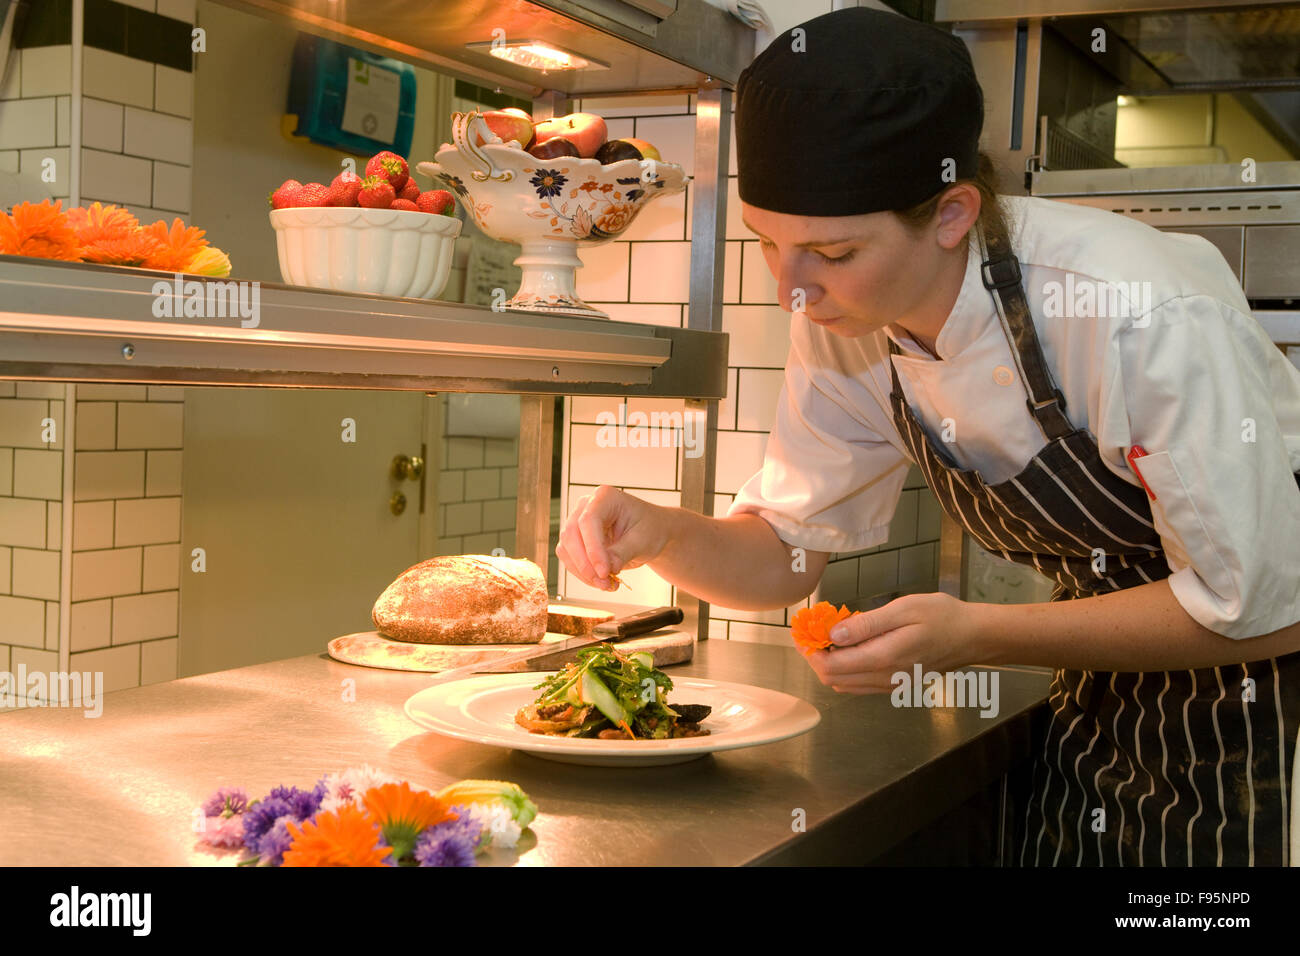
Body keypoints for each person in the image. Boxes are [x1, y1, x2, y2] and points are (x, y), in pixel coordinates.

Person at [554, 7, 1300, 866]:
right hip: (1109, 695)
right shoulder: (842, 322)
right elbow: (785, 557)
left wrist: (975, 634)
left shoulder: (1135, 308)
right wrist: (664, 534)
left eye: (831, 254)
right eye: (767, 242)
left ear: (951, 213)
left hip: (1272, 718)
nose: (792, 288)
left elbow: (1260, 610)